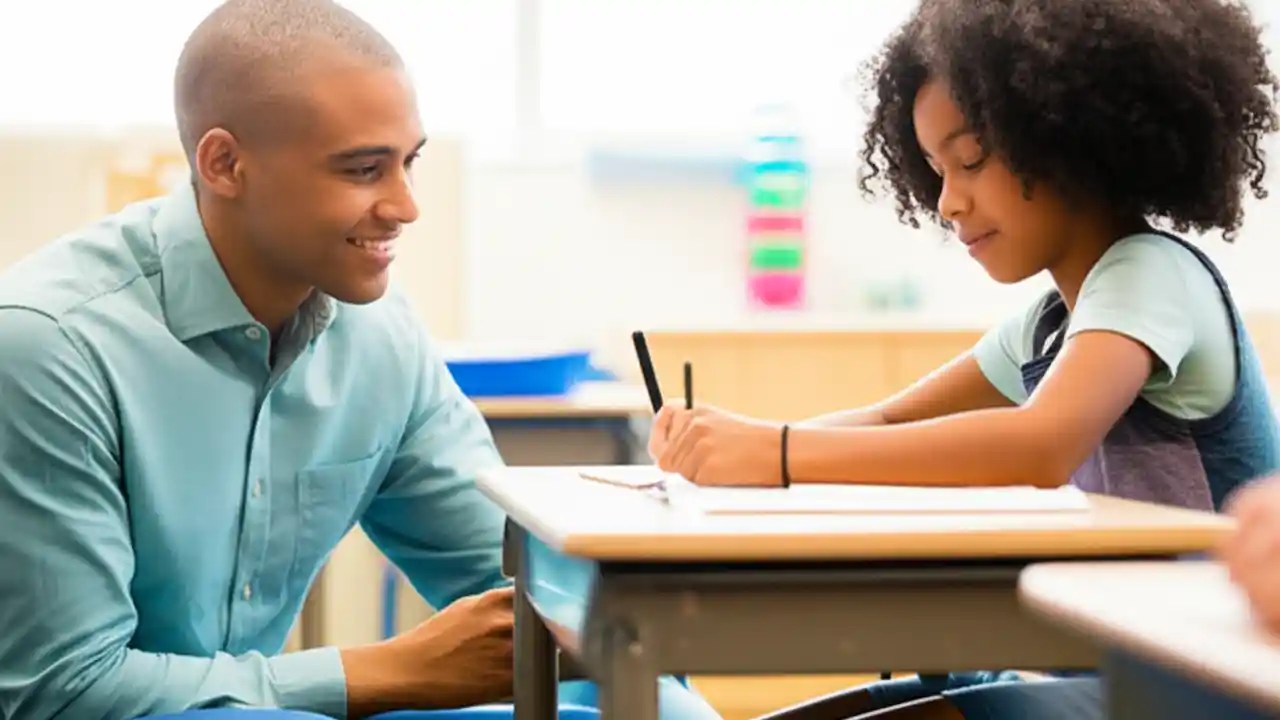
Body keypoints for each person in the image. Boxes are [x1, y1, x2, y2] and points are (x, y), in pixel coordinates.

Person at [0, 1, 718, 719]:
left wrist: (644, 644)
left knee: (660, 708)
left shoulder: (380, 338)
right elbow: (61, 692)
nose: (406, 206)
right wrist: (378, 672)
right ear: (224, 164)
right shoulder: (49, 347)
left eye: (409, 162)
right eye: (364, 170)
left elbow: (512, 584)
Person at [649, 0, 1280, 718]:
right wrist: (733, 449)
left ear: (1066, 138)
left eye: (972, 158)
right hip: (1119, 659)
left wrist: (781, 452)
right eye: (934, 170)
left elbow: (1039, 445)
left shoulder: (1150, 274)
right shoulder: (1051, 325)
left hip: (1205, 683)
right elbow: (888, 419)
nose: (948, 201)